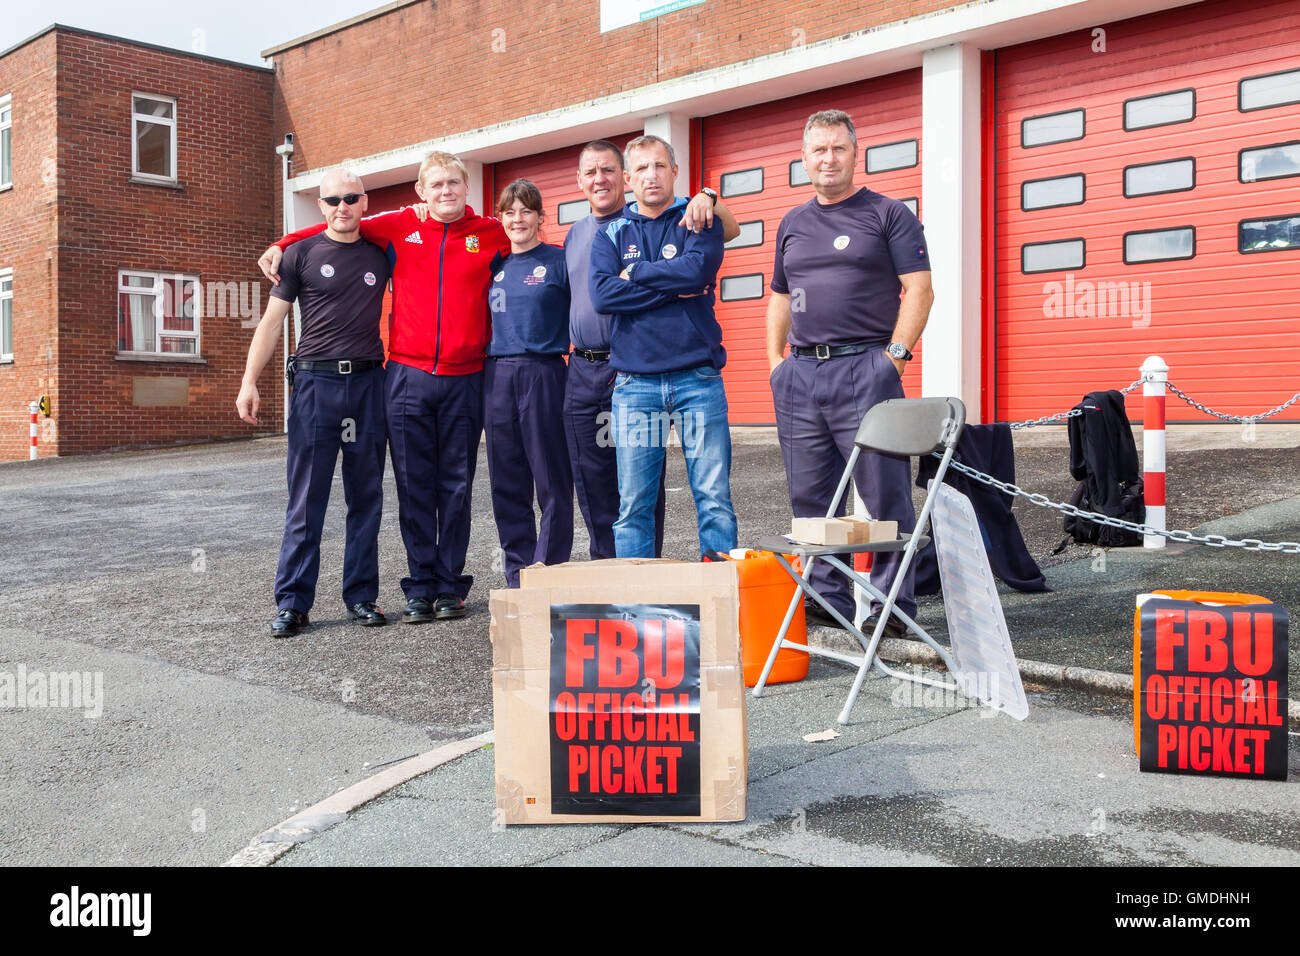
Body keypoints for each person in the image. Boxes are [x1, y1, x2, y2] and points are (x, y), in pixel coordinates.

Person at [259, 151, 509, 623]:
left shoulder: (491, 233)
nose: (446, 191)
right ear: (421, 192)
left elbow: (531, 241)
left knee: (456, 486)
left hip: (465, 377)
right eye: (436, 185)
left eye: (454, 182)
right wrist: (283, 240)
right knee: (414, 486)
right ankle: (418, 588)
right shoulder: (397, 226)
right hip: (407, 376)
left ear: (467, 186)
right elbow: (336, 226)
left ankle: (449, 586)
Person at [766, 109, 934, 632]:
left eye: (838, 148)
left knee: (883, 494)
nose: (829, 159)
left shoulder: (888, 214)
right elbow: (779, 297)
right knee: (813, 497)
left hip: (867, 368)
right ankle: (827, 596)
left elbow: (921, 289)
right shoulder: (792, 223)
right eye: (819, 150)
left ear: (855, 154)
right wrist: (776, 363)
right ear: (804, 158)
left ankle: (889, 607)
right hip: (802, 374)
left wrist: (896, 358)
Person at [564, 140, 741, 559]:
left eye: (660, 165)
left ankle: (722, 599)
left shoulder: (697, 219)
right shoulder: (611, 232)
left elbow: (698, 270)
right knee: (634, 505)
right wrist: (675, 287)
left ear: (675, 171)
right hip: (635, 385)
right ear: (628, 179)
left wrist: (639, 273)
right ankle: (637, 606)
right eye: (641, 168)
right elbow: (605, 296)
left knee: (713, 499)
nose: (651, 175)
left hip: (697, 379)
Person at [237, 169, 391, 637]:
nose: (342, 206)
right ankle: (293, 603)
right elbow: (269, 324)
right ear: (321, 206)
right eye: (332, 200)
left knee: (367, 497)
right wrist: (249, 382)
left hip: (368, 386)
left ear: (364, 202)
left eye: (351, 198)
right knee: (307, 498)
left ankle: (361, 597)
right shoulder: (300, 255)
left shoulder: (382, 254)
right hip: (315, 386)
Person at [484, 179, 573, 586]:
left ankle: (547, 569)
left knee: (551, 478)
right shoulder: (494, 265)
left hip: (544, 372)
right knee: (507, 479)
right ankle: (518, 574)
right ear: (500, 218)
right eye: (509, 212)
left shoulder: (558, 261)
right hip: (497, 375)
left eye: (526, 211)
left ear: (540, 216)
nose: (517, 219)